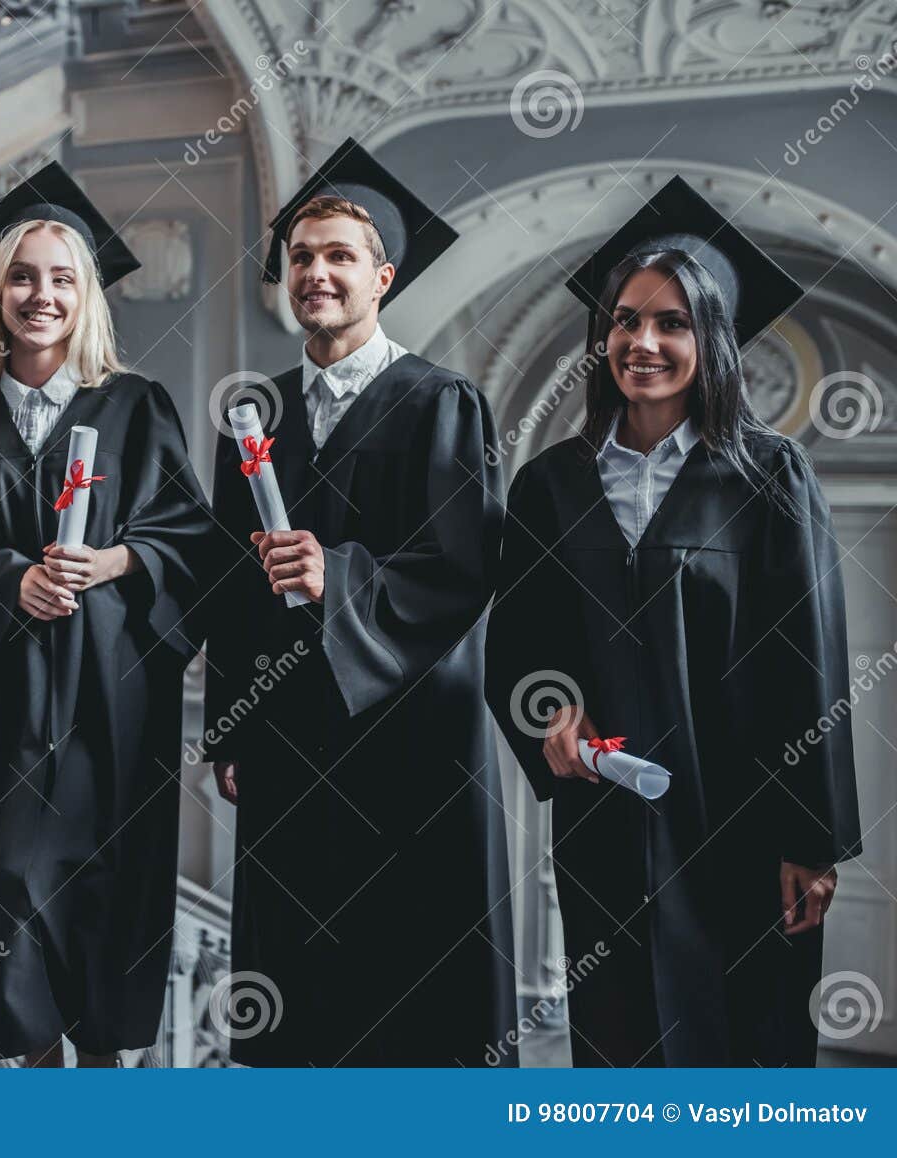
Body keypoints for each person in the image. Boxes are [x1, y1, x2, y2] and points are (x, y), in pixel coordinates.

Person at [484, 175, 863, 1066]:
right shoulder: (551, 484)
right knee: (621, 1036)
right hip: (607, 817)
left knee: (744, 1036)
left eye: (671, 323)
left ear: (712, 340)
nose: (642, 342)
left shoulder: (768, 476)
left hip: (740, 821)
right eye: (624, 321)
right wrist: (551, 715)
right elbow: (522, 646)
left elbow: (809, 661)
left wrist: (810, 840)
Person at [204, 138, 517, 1066]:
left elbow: (462, 567)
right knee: (297, 982)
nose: (316, 273)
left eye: (340, 256)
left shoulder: (441, 402)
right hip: (290, 738)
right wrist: (230, 726)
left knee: (407, 979)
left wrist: (336, 575)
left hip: (410, 739)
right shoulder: (255, 416)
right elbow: (227, 584)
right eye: (301, 256)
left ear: (382, 277)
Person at [0, 161, 215, 1066]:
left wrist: (116, 559)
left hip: (112, 708)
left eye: (62, 279)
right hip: (1, 714)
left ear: (87, 298)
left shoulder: (136, 407)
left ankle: (103, 1075)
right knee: (9, 897)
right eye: (22, 277)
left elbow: (192, 542)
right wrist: (9, 581)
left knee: (107, 894)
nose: (41, 295)